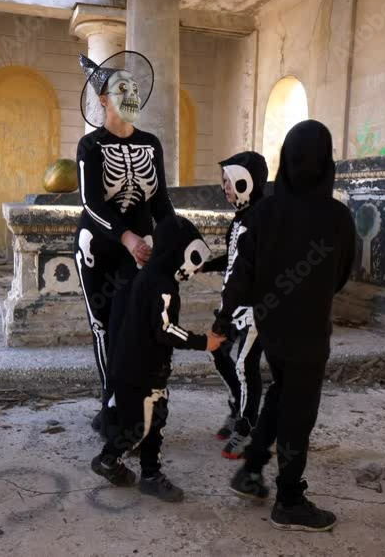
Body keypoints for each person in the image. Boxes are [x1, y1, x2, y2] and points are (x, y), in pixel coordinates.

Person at [213, 120, 355, 532]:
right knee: (299, 413)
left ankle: (252, 470)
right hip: (310, 331)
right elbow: (342, 275)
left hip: (271, 328)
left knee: (280, 391)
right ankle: (289, 501)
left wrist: (224, 319)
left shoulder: (265, 212)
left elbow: (242, 272)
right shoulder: (338, 218)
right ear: (327, 162)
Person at [73, 51, 174, 436]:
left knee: (136, 328)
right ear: (103, 100)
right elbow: (90, 203)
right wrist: (127, 236)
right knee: (104, 328)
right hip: (97, 251)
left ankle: (139, 403)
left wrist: (171, 242)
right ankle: (110, 404)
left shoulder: (151, 144)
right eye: (120, 88)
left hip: (140, 255)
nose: (130, 93)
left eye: (133, 87)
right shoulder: (91, 147)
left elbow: (161, 202)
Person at [91, 215, 224, 502]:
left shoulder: (150, 276)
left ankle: (148, 474)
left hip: (142, 370)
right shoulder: (162, 285)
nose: (197, 267)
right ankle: (109, 460)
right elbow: (164, 330)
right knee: (138, 426)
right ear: (178, 252)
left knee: (154, 422)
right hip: (141, 373)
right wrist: (205, 342)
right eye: (195, 256)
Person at [199, 151, 269, 459]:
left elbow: (243, 275)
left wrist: (222, 319)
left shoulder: (258, 220)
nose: (225, 187)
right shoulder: (242, 217)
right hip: (236, 306)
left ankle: (247, 426)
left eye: (229, 181)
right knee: (219, 353)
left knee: (245, 366)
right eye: (224, 181)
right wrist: (204, 265)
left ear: (246, 181)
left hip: (255, 309)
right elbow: (232, 261)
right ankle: (238, 408)